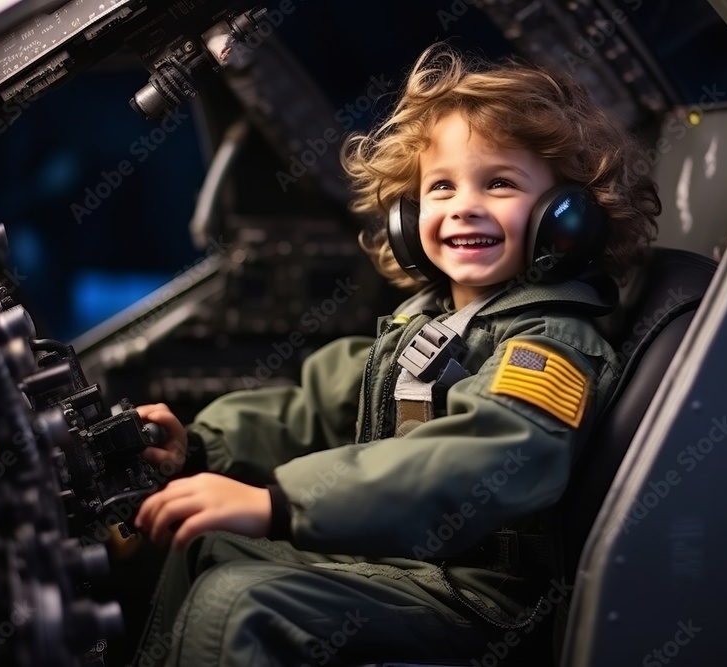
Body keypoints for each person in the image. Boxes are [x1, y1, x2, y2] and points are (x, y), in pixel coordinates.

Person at [130, 43, 659, 667]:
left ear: (565, 216)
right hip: (416, 570)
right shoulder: (431, 322)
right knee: (201, 543)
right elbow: (315, 406)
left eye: (499, 183)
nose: (464, 204)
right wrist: (200, 447)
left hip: (483, 600)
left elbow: (473, 462)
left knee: (237, 601)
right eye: (441, 186)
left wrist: (280, 503)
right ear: (409, 217)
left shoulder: (549, 345)